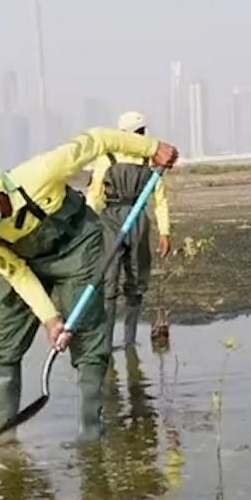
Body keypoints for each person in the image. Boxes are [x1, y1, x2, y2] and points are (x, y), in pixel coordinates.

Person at [0, 128, 179, 439]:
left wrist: (151, 147)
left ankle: (91, 434)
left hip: (77, 247)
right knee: (2, 333)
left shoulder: (41, 172)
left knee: (88, 335)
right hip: (29, 263)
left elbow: (98, 140)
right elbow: (17, 273)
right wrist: (50, 319)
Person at [86, 110, 172, 348]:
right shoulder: (119, 159)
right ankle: (122, 341)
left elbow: (94, 197)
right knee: (121, 282)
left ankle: (121, 343)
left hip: (121, 220)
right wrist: (164, 232)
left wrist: (165, 232)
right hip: (123, 221)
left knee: (122, 281)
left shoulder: (130, 159)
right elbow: (160, 201)